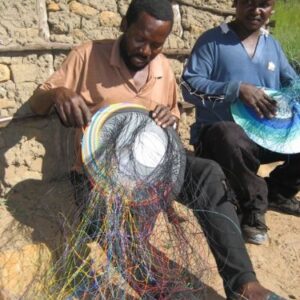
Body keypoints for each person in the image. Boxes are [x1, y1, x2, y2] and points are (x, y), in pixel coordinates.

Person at [29, 0, 285, 299]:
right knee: (119, 232)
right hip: (100, 175)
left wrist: (168, 120)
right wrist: (60, 93)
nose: (146, 51)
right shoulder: (87, 55)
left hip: (156, 166)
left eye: (157, 45)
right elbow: (39, 100)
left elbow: (172, 115)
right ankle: (174, 294)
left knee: (207, 173)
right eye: (140, 39)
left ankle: (244, 284)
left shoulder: (161, 67)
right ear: (124, 26)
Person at [181, 0, 300, 245]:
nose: (256, 10)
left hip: (265, 135)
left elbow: (290, 84)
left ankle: (278, 191)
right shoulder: (212, 41)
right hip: (219, 138)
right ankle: (253, 209)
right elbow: (190, 87)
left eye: (263, 4)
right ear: (235, 3)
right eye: (249, 2)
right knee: (230, 133)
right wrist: (237, 90)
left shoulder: (272, 46)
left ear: (272, 7)